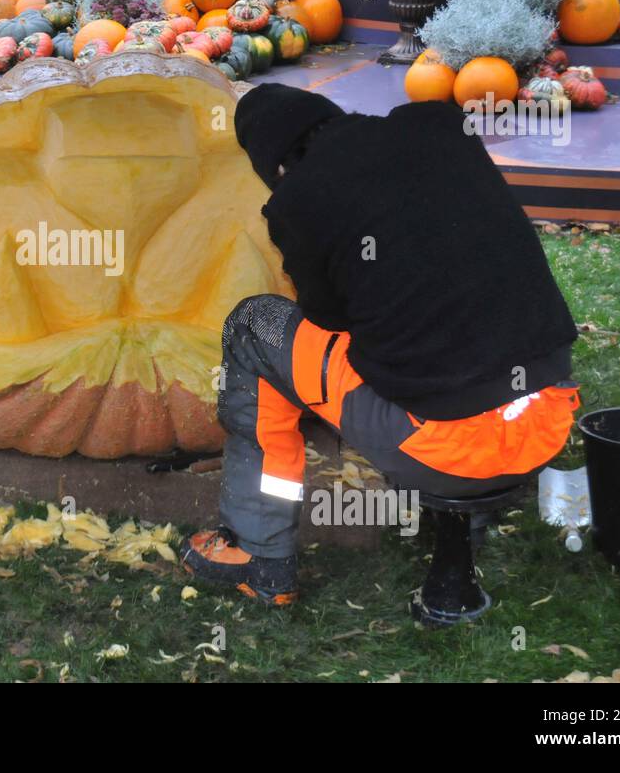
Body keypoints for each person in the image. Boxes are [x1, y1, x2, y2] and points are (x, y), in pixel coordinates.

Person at [180, 85, 581, 606]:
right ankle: (474, 504)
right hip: (548, 420)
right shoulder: (437, 123)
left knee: (256, 325)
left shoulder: (298, 201)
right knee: (463, 339)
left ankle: (258, 553)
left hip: (441, 450)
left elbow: (329, 318)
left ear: (276, 168)